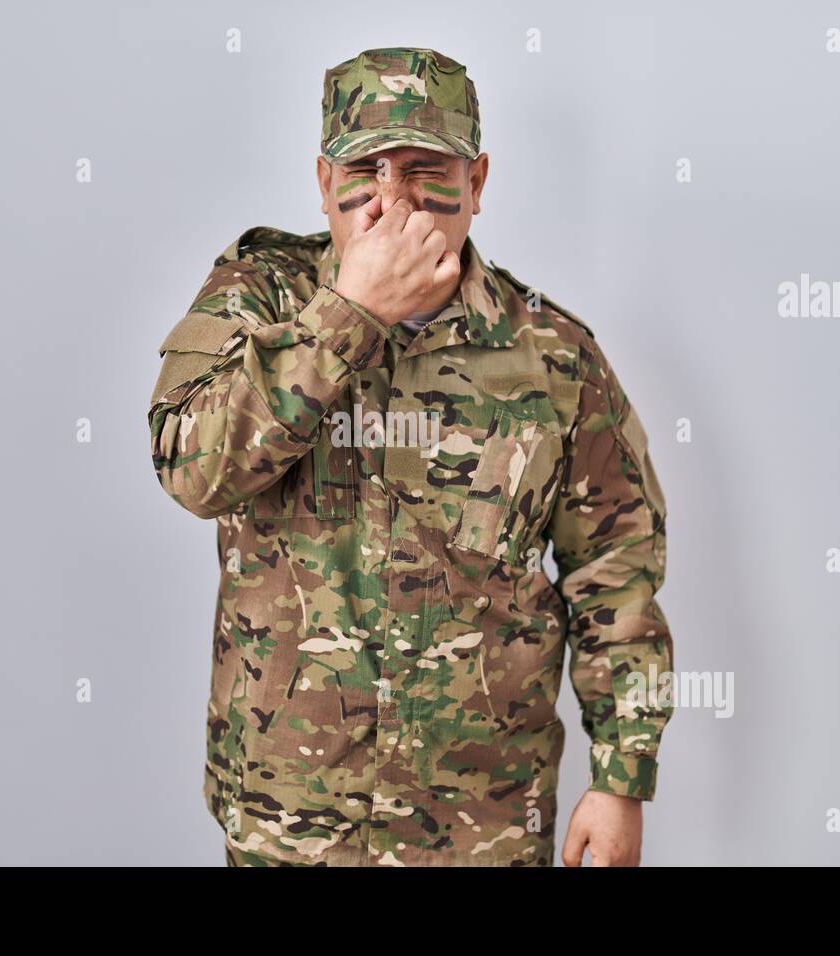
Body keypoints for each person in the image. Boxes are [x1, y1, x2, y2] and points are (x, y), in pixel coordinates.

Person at [148, 47, 674, 867]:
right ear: (325, 184)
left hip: (482, 825)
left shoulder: (554, 356)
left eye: (427, 169)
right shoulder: (259, 298)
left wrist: (621, 778)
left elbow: (616, 570)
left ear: (478, 182)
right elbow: (192, 467)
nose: (391, 201)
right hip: (292, 823)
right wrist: (349, 313)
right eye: (366, 171)